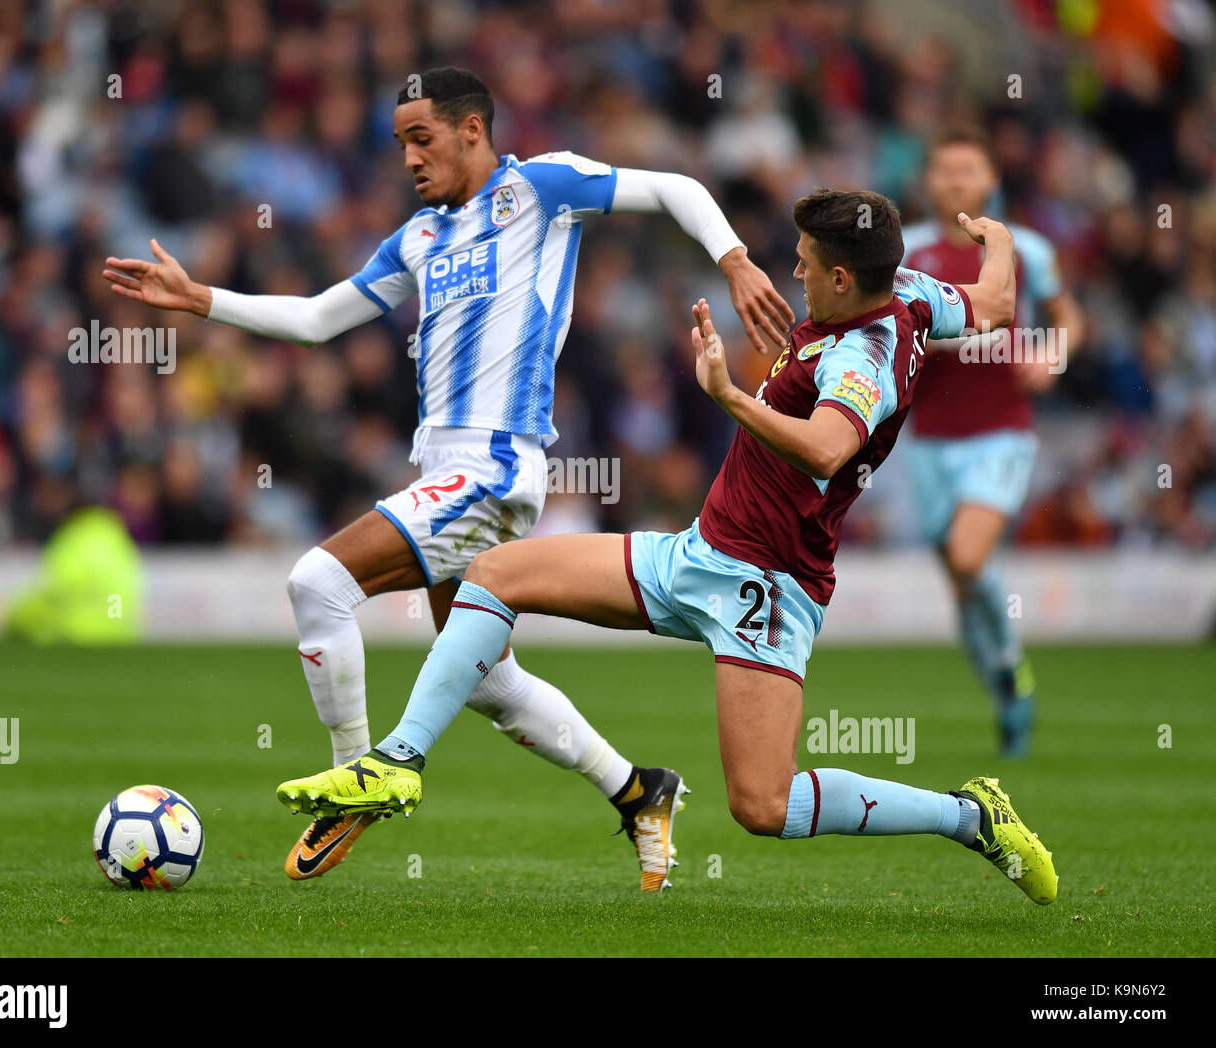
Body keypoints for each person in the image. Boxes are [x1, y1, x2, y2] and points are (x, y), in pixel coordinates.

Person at [102, 67, 792, 891]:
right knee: (488, 680)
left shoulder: (541, 188)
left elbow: (676, 185)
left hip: (494, 466)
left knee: (317, 582)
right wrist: (203, 299)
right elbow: (323, 318)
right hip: (445, 469)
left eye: (421, 139)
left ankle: (355, 775)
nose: (408, 159)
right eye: (399, 144)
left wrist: (737, 260)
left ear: (473, 130)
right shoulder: (421, 238)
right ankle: (640, 789)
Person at [276, 189, 1058, 905]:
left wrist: (728, 396)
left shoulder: (863, 359)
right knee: (494, 573)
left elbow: (825, 449)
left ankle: (968, 816)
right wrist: (996, 238)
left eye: (807, 263)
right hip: (699, 554)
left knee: (765, 806)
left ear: (846, 278)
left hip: (766, 591)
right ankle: (397, 762)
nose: (794, 270)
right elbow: (994, 301)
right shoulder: (918, 294)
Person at [901, 129, 1085, 757]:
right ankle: (1007, 694)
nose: (955, 180)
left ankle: (1010, 664)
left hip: (1001, 429)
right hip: (927, 441)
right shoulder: (908, 256)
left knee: (970, 556)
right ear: (929, 182)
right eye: (944, 170)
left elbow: (1069, 317)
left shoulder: (1023, 247)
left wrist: (1053, 355)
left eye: (968, 169)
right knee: (961, 580)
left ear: (990, 180)